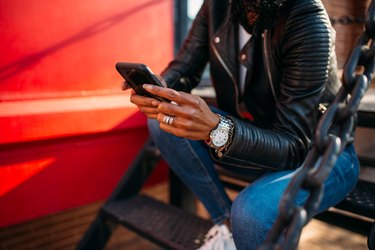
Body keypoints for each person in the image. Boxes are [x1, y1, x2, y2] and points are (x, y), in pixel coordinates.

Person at [123, 0, 360, 249]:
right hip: (265, 140)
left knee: (251, 213)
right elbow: (185, 67)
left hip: (323, 152)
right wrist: (160, 91)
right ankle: (226, 227)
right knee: (166, 121)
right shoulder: (216, 6)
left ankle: (236, 227)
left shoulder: (307, 17)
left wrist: (218, 129)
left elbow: (294, 146)